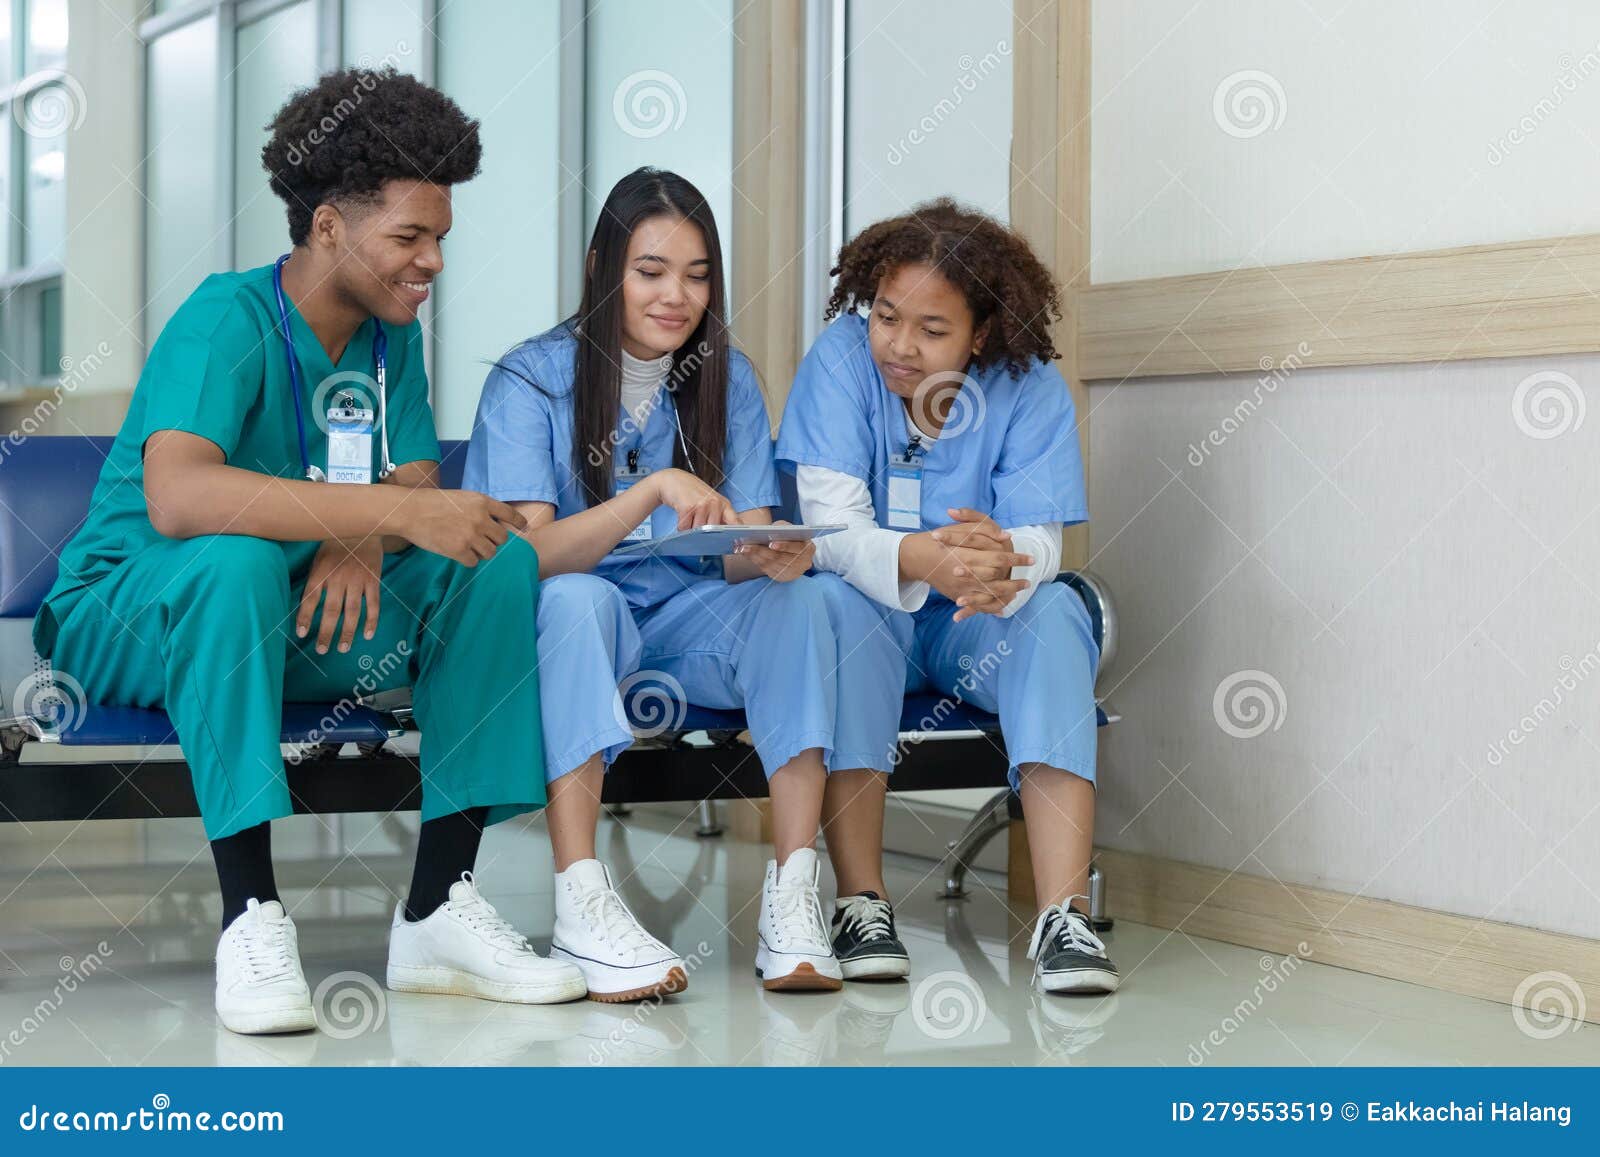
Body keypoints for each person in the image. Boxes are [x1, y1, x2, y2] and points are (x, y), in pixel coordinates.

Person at [31, 69, 586, 1035]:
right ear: (328, 226)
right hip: (134, 610)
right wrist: (369, 516)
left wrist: (369, 531)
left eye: (440, 238)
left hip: (286, 619)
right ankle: (250, 912)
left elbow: (414, 474)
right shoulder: (225, 319)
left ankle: (438, 908)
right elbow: (179, 497)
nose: (431, 262)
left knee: (491, 556)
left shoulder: (389, 335)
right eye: (409, 238)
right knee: (235, 561)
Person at [463, 167, 911, 996]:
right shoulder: (531, 380)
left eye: (697, 276)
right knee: (579, 597)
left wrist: (772, 554)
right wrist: (648, 492)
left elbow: (737, 545)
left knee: (800, 596)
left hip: (683, 624)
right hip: (570, 630)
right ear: (602, 267)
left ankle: (793, 894)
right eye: (651, 271)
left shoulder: (727, 379)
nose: (677, 296)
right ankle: (580, 901)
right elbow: (527, 559)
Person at [776, 198, 1120, 994]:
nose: (899, 345)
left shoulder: (1026, 385)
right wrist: (923, 558)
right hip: (874, 616)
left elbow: (1041, 538)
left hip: (975, 622)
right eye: (886, 317)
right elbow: (829, 527)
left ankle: (1064, 918)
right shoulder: (840, 363)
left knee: (1056, 607)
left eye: (932, 330)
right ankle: (862, 902)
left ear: (982, 332)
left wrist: (1003, 562)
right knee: (842, 603)